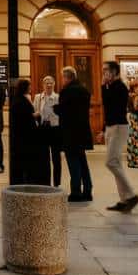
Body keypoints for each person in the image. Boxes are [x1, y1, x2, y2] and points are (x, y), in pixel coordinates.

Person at [101, 61, 138, 212]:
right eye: (103, 70)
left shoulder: (120, 87)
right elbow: (107, 107)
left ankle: (131, 195)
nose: (104, 73)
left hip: (119, 126)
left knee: (111, 162)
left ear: (115, 72)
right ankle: (124, 201)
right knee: (116, 163)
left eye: (107, 70)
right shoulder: (109, 86)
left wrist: (105, 87)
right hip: (111, 127)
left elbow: (115, 107)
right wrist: (104, 129)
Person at [54, 66, 93, 203]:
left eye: (62, 77)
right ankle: (87, 190)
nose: (62, 80)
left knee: (73, 162)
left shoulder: (66, 91)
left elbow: (65, 111)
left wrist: (56, 108)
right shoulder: (84, 90)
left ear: (66, 77)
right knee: (82, 161)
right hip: (82, 130)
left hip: (70, 132)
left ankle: (76, 192)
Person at [10, 79, 45, 184]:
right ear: (24, 87)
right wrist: (35, 115)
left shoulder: (20, 98)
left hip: (22, 134)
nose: (31, 88)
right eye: (29, 86)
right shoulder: (21, 100)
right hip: (24, 135)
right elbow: (24, 117)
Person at [32, 75, 61, 187]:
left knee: (56, 158)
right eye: (46, 83)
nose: (48, 85)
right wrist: (36, 116)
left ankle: (57, 184)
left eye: (50, 83)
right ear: (43, 85)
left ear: (54, 84)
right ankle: (45, 183)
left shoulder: (58, 97)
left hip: (54, 129)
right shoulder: (38, 97)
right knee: (44, 158)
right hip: (43, 129)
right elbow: (34, 112)